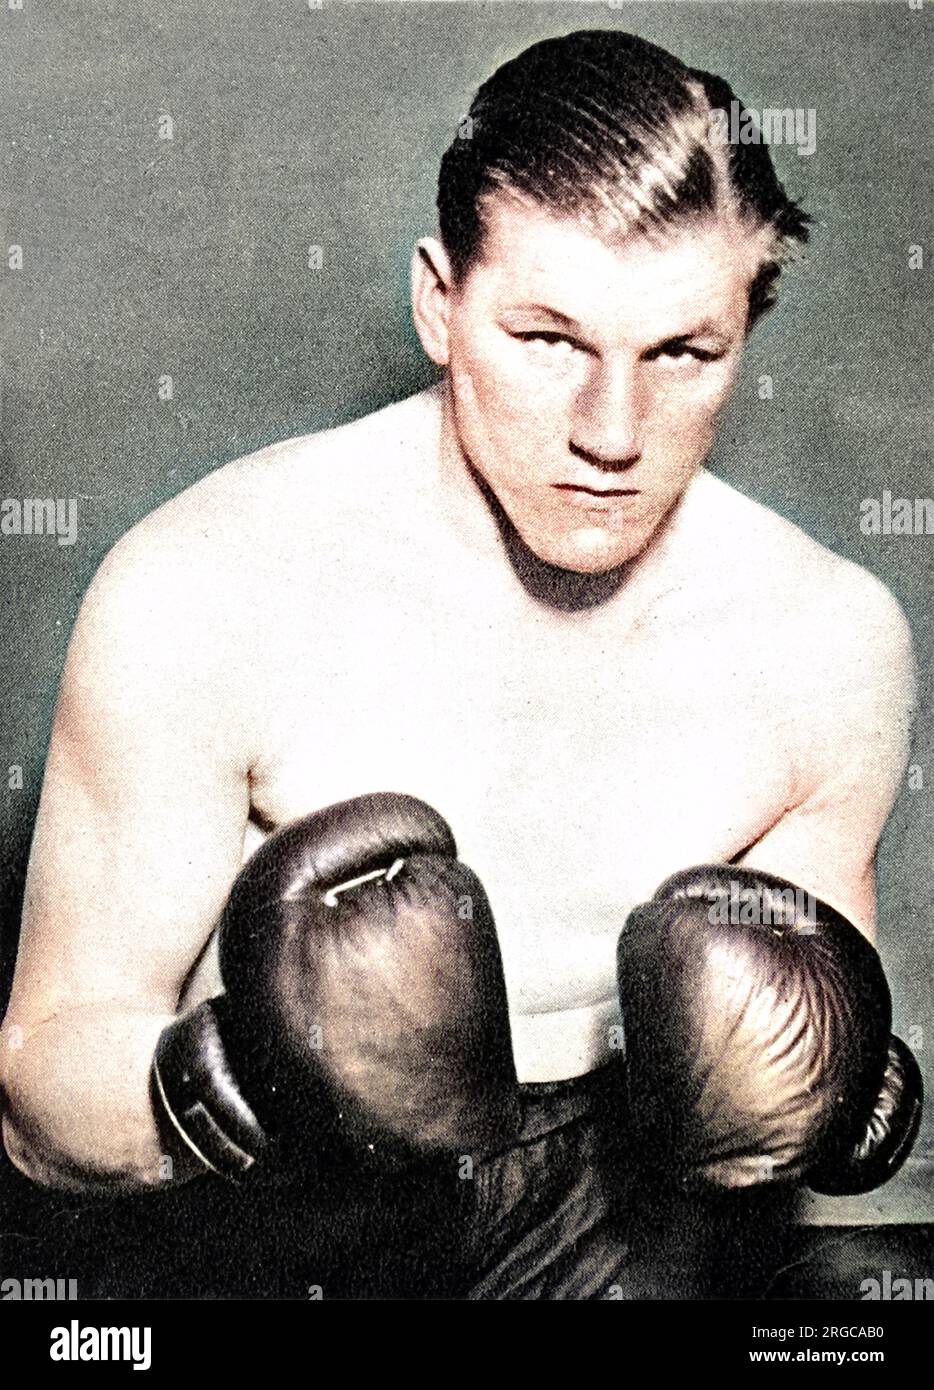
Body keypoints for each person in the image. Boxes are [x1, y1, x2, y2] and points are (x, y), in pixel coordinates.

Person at [0, 30, 920, 1299]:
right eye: (547, 339)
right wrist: (228, 1081)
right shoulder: (207, 588)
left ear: (747, 327)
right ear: (440, 303)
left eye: (681, 354)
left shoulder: (824, 640)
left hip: (627, 1227)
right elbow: (40, 1100)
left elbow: (786, 1065)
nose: (610, 432)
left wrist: (838, 1092)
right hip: (274, 1225)